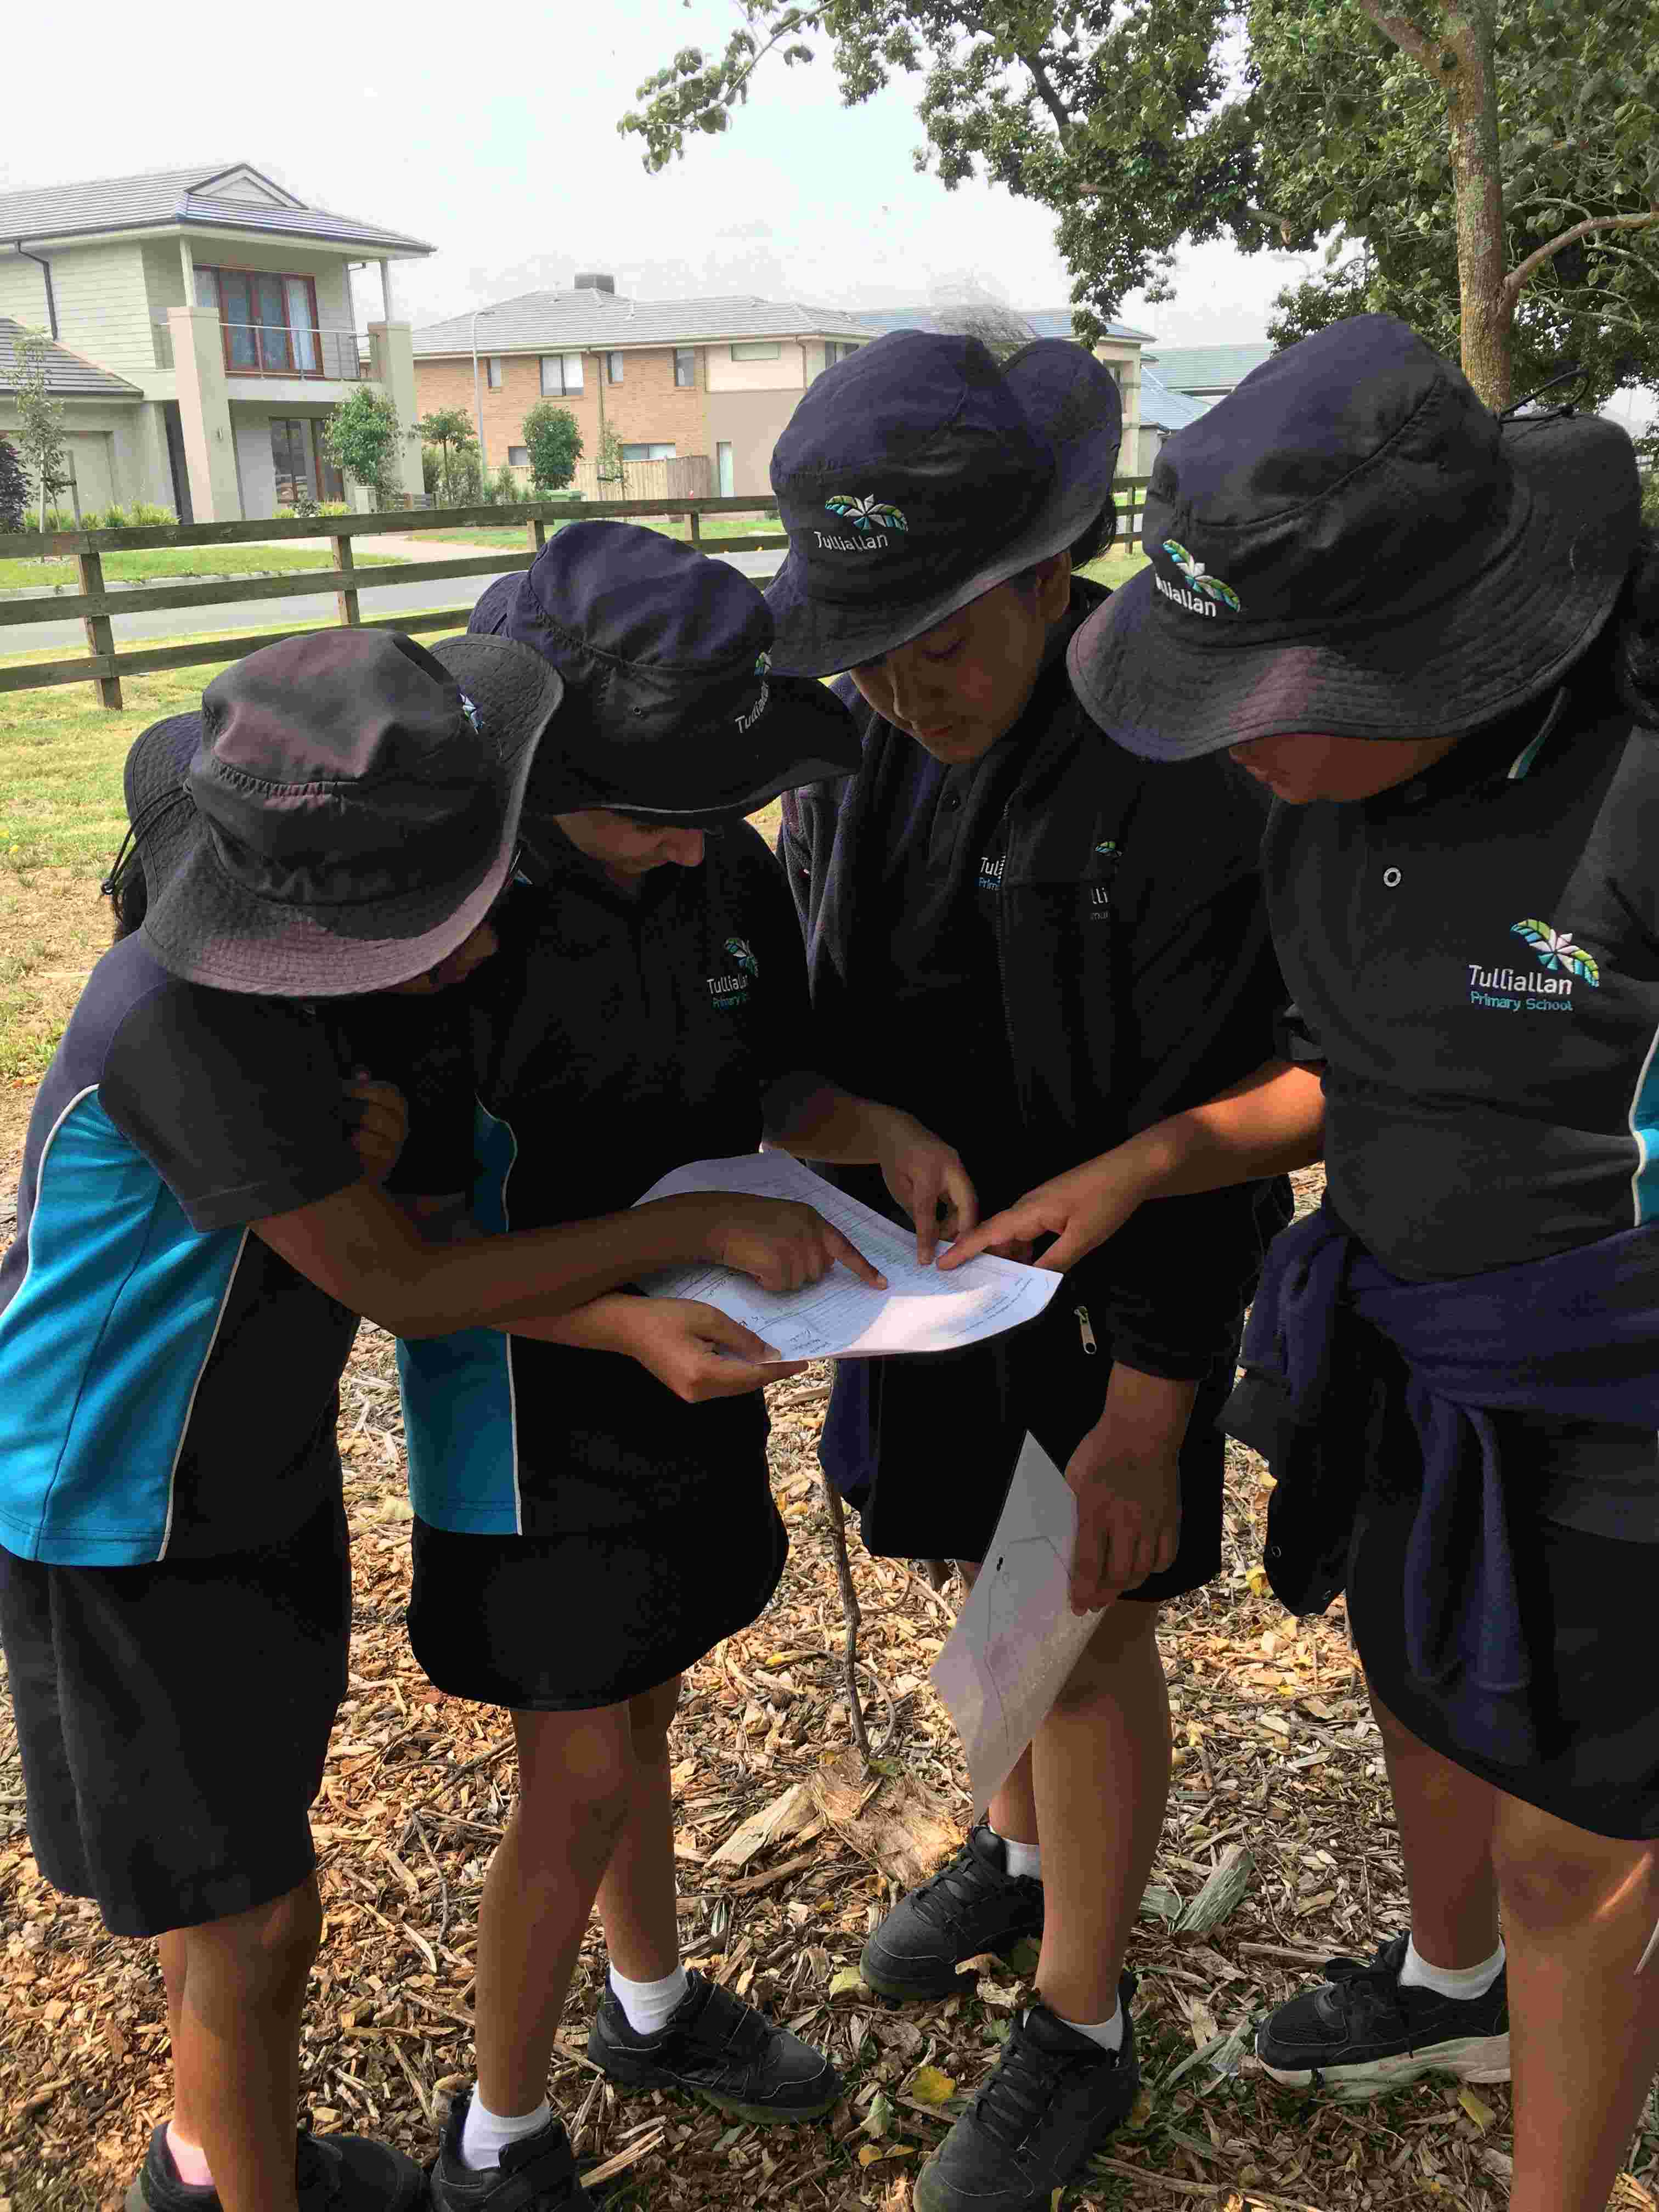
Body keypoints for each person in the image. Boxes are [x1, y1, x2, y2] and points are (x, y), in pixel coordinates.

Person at [0, 628, 876, 2212]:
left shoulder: (282, 986)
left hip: (243, 1472)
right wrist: (689, 1235)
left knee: (244, 1879)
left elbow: (383, 1219)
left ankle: (215, 2159)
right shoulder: (187, 1021)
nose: (483, 949)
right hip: (117, 1506)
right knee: (251, 1922)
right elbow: (404, 1283)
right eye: (447, 923)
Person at [1063, 312, 1659, 2212]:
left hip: (1616, 1395)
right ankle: (1452, 1982)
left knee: (1582, 1852)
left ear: (1434, 657)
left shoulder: (1638, 782)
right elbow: (1359, 1068)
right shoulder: (1319, 804)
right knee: (1423, 1674)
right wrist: (1159, 1156)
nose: (1231, 745)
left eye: (1262, 702)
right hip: (1408, 1327)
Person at [762, 331, 1294, 2212]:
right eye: (867, 651)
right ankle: (1016, 1849)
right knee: (974, 1576)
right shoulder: (856, 746)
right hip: (928, 1269)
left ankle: (1083, 2018)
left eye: (942, 644)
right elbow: (819, 1000)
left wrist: (1153, 1406)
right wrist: (853, 1138)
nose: (904, 691)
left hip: (1111, 1285)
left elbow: (1210, 1110)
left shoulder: (1174, 769)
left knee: (1083, 1625)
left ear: (1047, 580)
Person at [389, 522, 981, 2212]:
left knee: (643, 1704)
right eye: (648, 813)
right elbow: (411, 1258)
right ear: (549, 778)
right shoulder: (451, 918)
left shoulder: (720, 863)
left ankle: (648, 2008)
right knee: (573, 1774)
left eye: (714, 806)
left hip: (698, 1357)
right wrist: (644, 1291)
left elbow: (775, 1082)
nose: (687, 842)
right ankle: (497, 2141)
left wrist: (884, 1132)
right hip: (532, 1404)